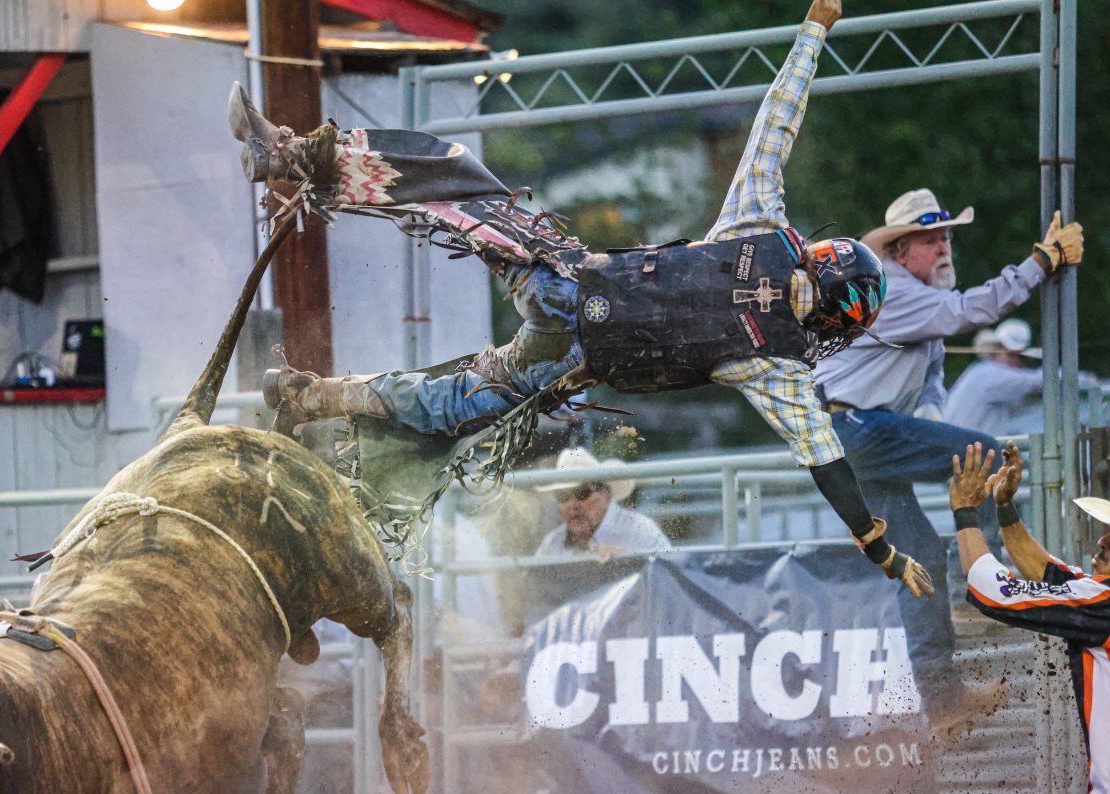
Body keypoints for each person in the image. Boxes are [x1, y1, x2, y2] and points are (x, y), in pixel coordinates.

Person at [234, 0, 938, 608]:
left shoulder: (760, 231)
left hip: (563, 279)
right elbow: (827, 466)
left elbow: (775, 123)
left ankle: (295, 158)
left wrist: (814, 28)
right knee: (452, 402)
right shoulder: (778, 366)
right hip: (567, 359)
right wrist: (880, 551)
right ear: (835, 321)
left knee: (458, 184)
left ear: (822, 255)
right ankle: (319, 397)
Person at [815, 190, 1084, 724]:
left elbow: (932, 377)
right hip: (858, 430)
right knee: (980, 454)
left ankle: (940, 699)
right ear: (899, 251)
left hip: (850, 438)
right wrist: (1040, 263)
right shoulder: (896, 290)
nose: (943, 248)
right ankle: (982, 586)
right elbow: (970, 311)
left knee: (918, 558)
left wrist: (933, 428)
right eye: (930, 239)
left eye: (945, 237)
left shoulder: (909, 298)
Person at [950, 440, 1110, 794]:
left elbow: (994, 590)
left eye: (1109, 539)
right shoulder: (1096, 602)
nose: (1099, 542)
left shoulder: (1102, 605)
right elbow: (1051, 576)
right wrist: (1008, 513)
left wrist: (966, 515)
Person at [944, 319, 1098, 437]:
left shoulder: (979, 371)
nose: (1016, 361)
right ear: (996, 350)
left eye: (1020, 357)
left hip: (963, 455)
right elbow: (1035, 380)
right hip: (966, 459)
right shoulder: (991, 374)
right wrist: (1084, 379)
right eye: (1011, 355)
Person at [532, 448, 672, 560]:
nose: (572, 505)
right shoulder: (552, 543)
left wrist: (630, 562)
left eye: (582, 493)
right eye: (562, 496)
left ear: (606, 494)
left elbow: (672, 583)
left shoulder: (640, 531)